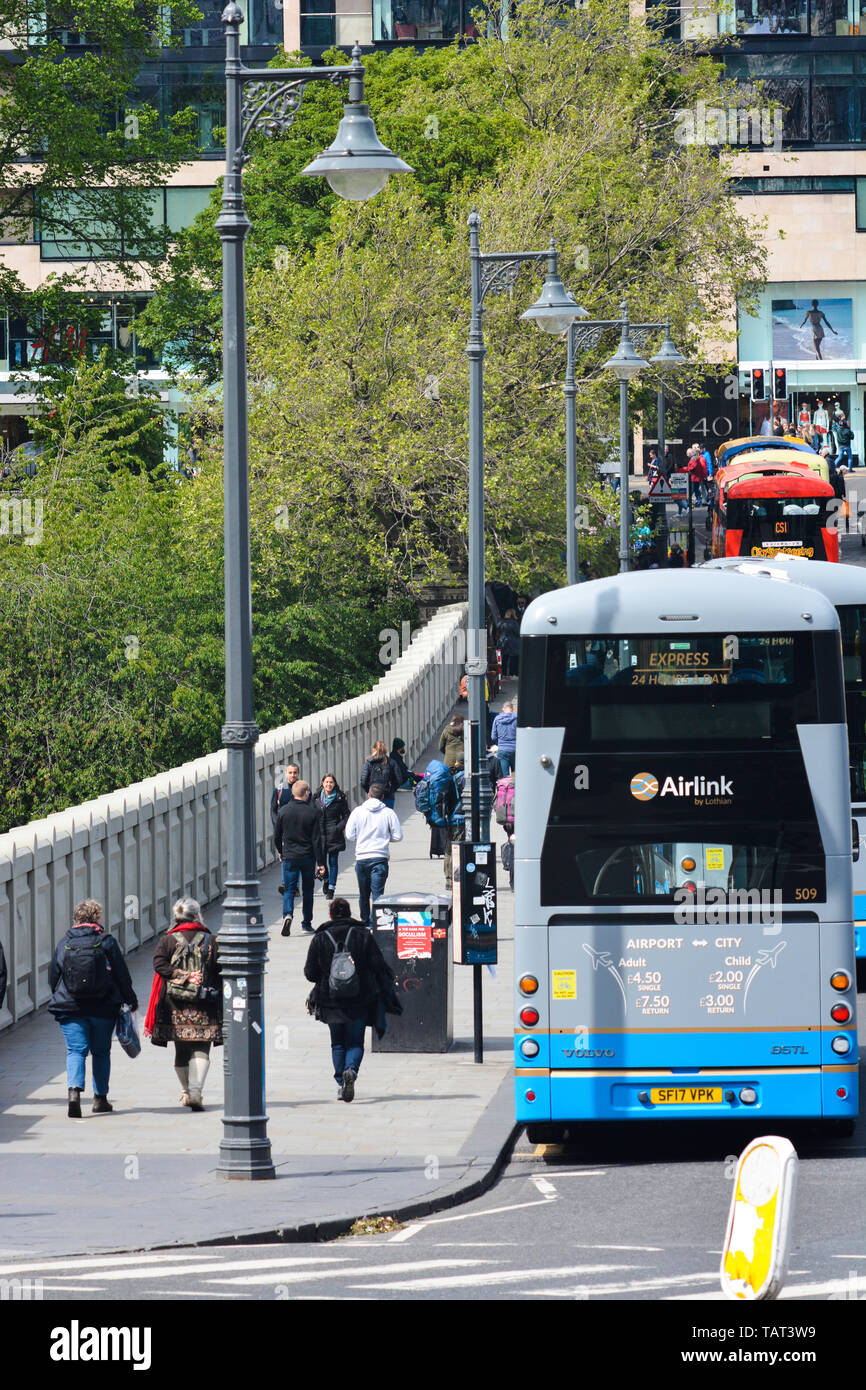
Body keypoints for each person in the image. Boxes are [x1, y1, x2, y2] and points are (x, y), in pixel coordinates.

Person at [303, 896, 399, 1102]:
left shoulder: (320, 938)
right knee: (355, 1042)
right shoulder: (362, 934)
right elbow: (378, 965)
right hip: (359, 999)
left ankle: (340, 1083)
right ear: (349, 914)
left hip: (330, 1002)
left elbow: (310, 973)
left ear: (330, 915)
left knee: (337, 1043)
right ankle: (351, 1071)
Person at [48, 899, 138, 1118]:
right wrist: (131, 999)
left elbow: (53, 975)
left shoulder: (65, 942)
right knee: (100, 1051)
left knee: (75, 1050)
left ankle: (74, 1093)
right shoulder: (106, 942)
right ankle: (100, 1099)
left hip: (71, 1008)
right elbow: (121, 974)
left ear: (76, 918)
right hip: (103, 1007)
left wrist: (62, 994)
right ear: (97, 917)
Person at [143, 897, 222, 1111]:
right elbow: (219, 969)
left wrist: (181, 975)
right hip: (204, 1003)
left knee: (181, 1048)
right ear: (196, 915)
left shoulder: (167, 941)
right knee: (201, 1046)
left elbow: (158, 964)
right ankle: (197, 1091)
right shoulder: (210, 939)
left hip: (174, 1004)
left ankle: (186, 1092)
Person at [345, 785, 403, 928]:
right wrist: (384, 837)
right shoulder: (388, 813)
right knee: (378, 894)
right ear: (382, 797)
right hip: (379, 857)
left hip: (362, 857)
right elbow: (398, 836)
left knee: (363, 893)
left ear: (368, 795)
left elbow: (349, 835)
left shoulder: (357, 812)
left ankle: (365, 920)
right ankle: (376, 921)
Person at [275, 780, 327, 936]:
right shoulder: (312, 812)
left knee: (289, 889)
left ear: (292, 793)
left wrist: (281, 851)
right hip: (307, 857)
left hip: (290, 856)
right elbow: (317, 840)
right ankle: (307, 923)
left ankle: (288, 915)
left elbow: (277, 836)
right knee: (308, 890)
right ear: (306, 793)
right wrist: (321, 863)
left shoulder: (283, 811)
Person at [316, 774, 350, 901]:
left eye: (331, 782)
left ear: (334, 784)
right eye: (326, 782)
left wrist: (338, 827)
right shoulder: (316, 798)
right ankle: (326, 879)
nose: (328, 784)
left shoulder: (340, 798)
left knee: (333, 862)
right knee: (321, 862)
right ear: (322, 783)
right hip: (320, 835)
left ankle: (331, 888)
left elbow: (347, 815)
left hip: (334, 834)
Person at [360, 740, 400, 808]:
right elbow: (398, 779)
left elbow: (363, 781)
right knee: (387, 816)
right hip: (388, 795)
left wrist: (370, 791)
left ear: (373, 750)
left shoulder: (369, 762)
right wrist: (391, 789)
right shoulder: (391, 762)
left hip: (373, 795)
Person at [270, 762, 301, 830]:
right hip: (283, 829)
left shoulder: (304, 789)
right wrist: (277, 826)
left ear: (298, 773)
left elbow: (310, 807)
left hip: (300, 830)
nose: (292, 775)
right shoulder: (279, 789)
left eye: (295, 772)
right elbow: (273, 810)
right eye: (290, 773)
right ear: (286, 773)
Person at [490, 700, 517, 778]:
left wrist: (500, 744)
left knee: (504, 776)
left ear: (503, 709)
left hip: (502, 750)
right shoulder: (517, 718)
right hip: (515, 750)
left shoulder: (497, 719)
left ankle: (506, 789)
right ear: (512, 708)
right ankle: (515, 789)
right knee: (515, 775)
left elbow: (493, 736)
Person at [497, 609, 520, 679]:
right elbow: (518, 632)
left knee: (504, 659)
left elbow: (498, 630)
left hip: (503, 642)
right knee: (513, 659)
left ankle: (503, 674)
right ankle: (512, 674)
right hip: (513, 643)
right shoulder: (514, 623)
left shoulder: (501, 622)